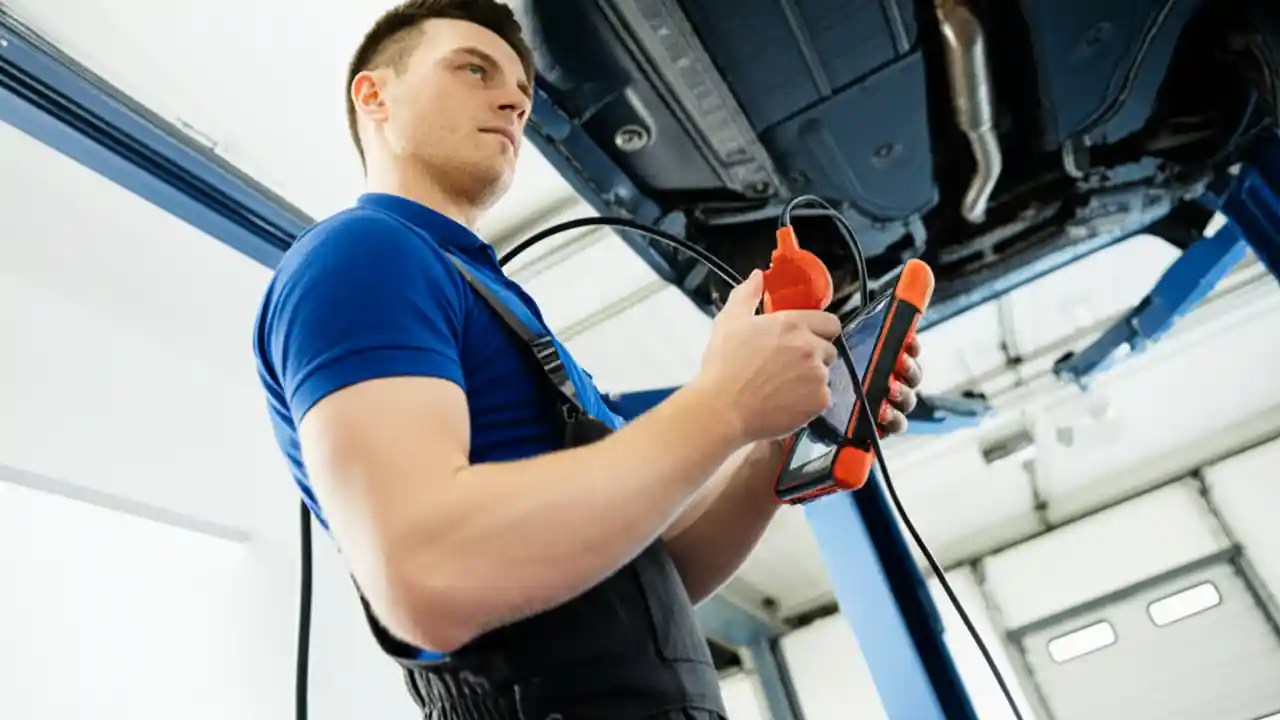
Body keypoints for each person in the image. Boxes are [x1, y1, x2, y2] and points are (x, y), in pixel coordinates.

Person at [252, 1, 924, 717]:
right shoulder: (359, 256)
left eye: (522, 89)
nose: (513, 99)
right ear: (374, 94)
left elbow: (653, 572)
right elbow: (425, 573)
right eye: (473, 70)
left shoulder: (493, 297)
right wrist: (722, 402)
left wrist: (771, 441)